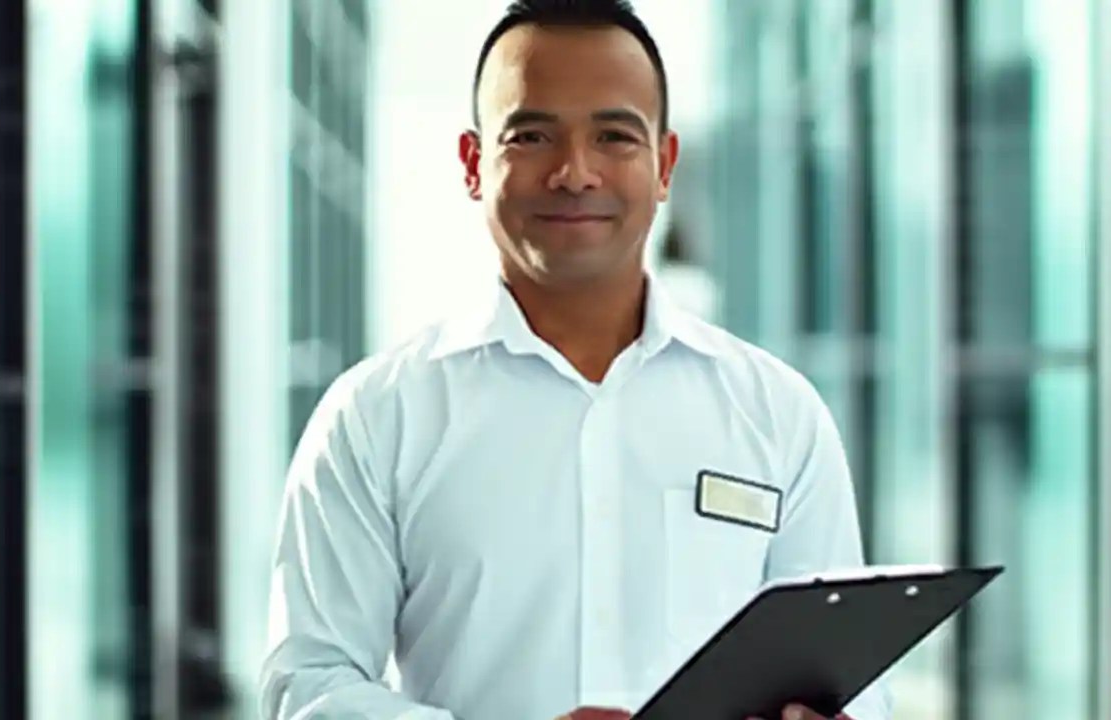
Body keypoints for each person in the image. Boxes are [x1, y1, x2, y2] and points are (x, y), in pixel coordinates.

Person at [258, 1, 891, 719]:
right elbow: (308, 684)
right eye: (531, 135)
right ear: (473, 163)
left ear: (664, 165)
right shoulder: (376, 416)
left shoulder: (779, 412)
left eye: (615, 137)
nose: (574, 172)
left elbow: (854, 684)